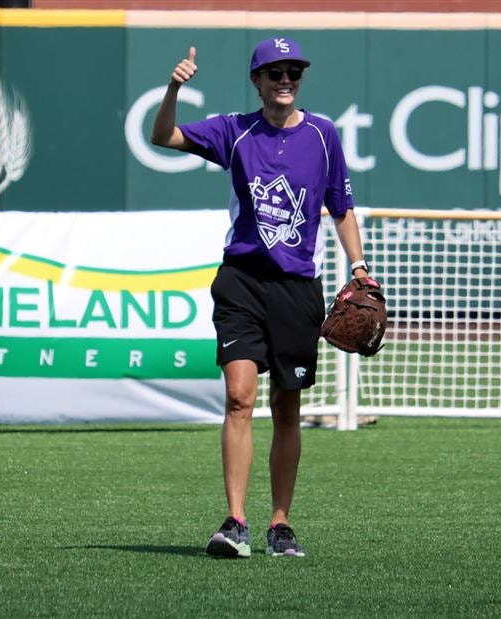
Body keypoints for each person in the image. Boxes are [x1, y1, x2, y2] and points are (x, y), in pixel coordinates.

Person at [151, 37, 371, 558]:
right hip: (242, 281)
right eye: (274, 72)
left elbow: (340, 207)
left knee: (287, 407)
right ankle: (235, 522)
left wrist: (360, 267)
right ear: (257, 80)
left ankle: (280, 523)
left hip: (296, 288)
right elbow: (163, 136)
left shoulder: (323, 135)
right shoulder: (234, 130)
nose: (285, 79)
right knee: (238, 397)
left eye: (293, 70)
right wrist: (172, 88)